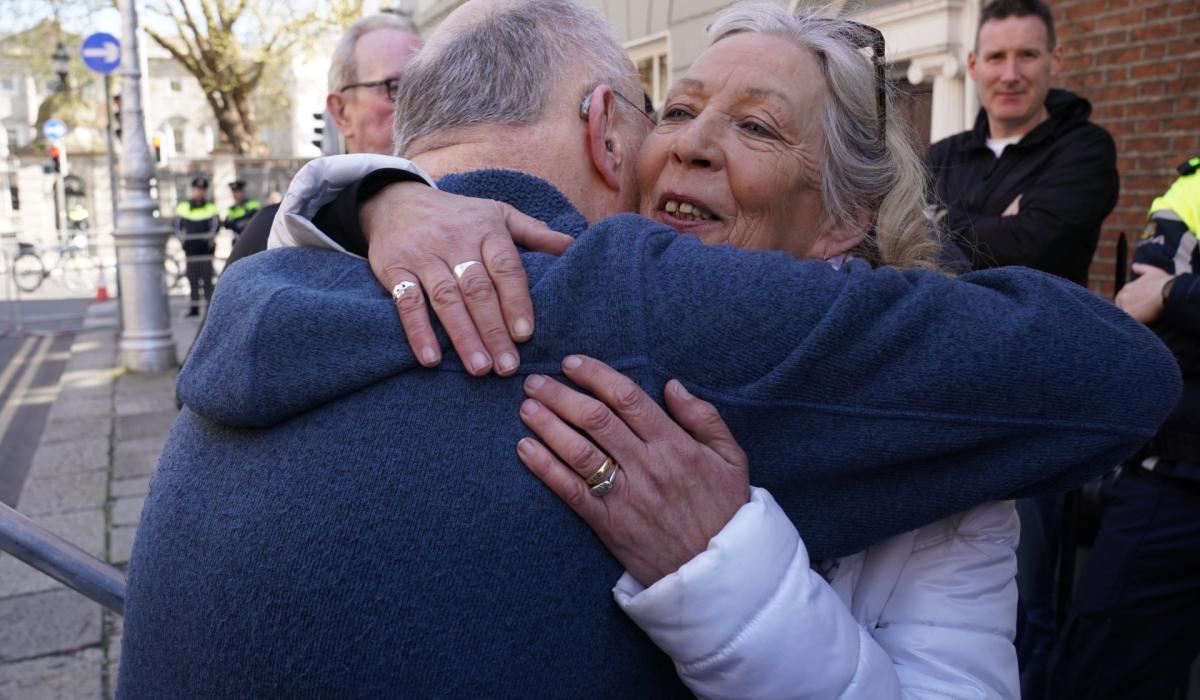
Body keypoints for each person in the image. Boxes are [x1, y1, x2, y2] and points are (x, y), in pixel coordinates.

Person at [119, 1, 1178, 697]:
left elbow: (1119, 374)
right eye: (669, 109)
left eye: (758, 129)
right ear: (608, 137)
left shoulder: (937, 417)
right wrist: (383, 197)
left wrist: (728, 568)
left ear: (845, 219)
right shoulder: (588, 295)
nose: (691, 143)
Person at [924, 2, 1119, 693]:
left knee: (1030, 594)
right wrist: (988, 227)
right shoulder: (943, 153)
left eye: (1027, 56)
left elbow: (1040, 243)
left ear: (1054, 63)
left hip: (1038, 399)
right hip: (947, 391)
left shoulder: (1084, 150)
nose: (1011, 74)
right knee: (941, 577)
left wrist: (944, 227)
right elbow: (897, 241)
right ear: (973, 67)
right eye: (996, 57)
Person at [1046, 158, 1200, 700]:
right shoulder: (1192, 188)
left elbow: (1162, 301)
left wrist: (1177, 294)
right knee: (1102, 671)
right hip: (1176, 481)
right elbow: (1141, 315)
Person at [223, 12, 424, 269]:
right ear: (341, 112)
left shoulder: (471, 211)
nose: (422, 104)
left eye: (427, 87)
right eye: (395, 87)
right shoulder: (277, 235)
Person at [173, 176, 219, 317]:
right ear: (192, 190)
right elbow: (176, 227)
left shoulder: (211, 207)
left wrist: (209, 237)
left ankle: (209, 311)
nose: (199, 192)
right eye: (196, 189)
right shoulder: (183, 207)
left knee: (207, 281)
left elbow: (216, 226)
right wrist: (184, 242)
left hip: (206, 251)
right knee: (192, 280)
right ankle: (194, 309)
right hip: (191, 252)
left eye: (202, 190)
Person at [222, 180, 261, 245]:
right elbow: (227, 224)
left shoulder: (253, 203)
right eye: (234, 192)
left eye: (238, 192)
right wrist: (241, 222)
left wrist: (238, 222)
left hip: (252, 239)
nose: (235, 195)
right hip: (238, 240)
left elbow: (255, 220)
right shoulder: (232, 209)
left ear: (243, 192)